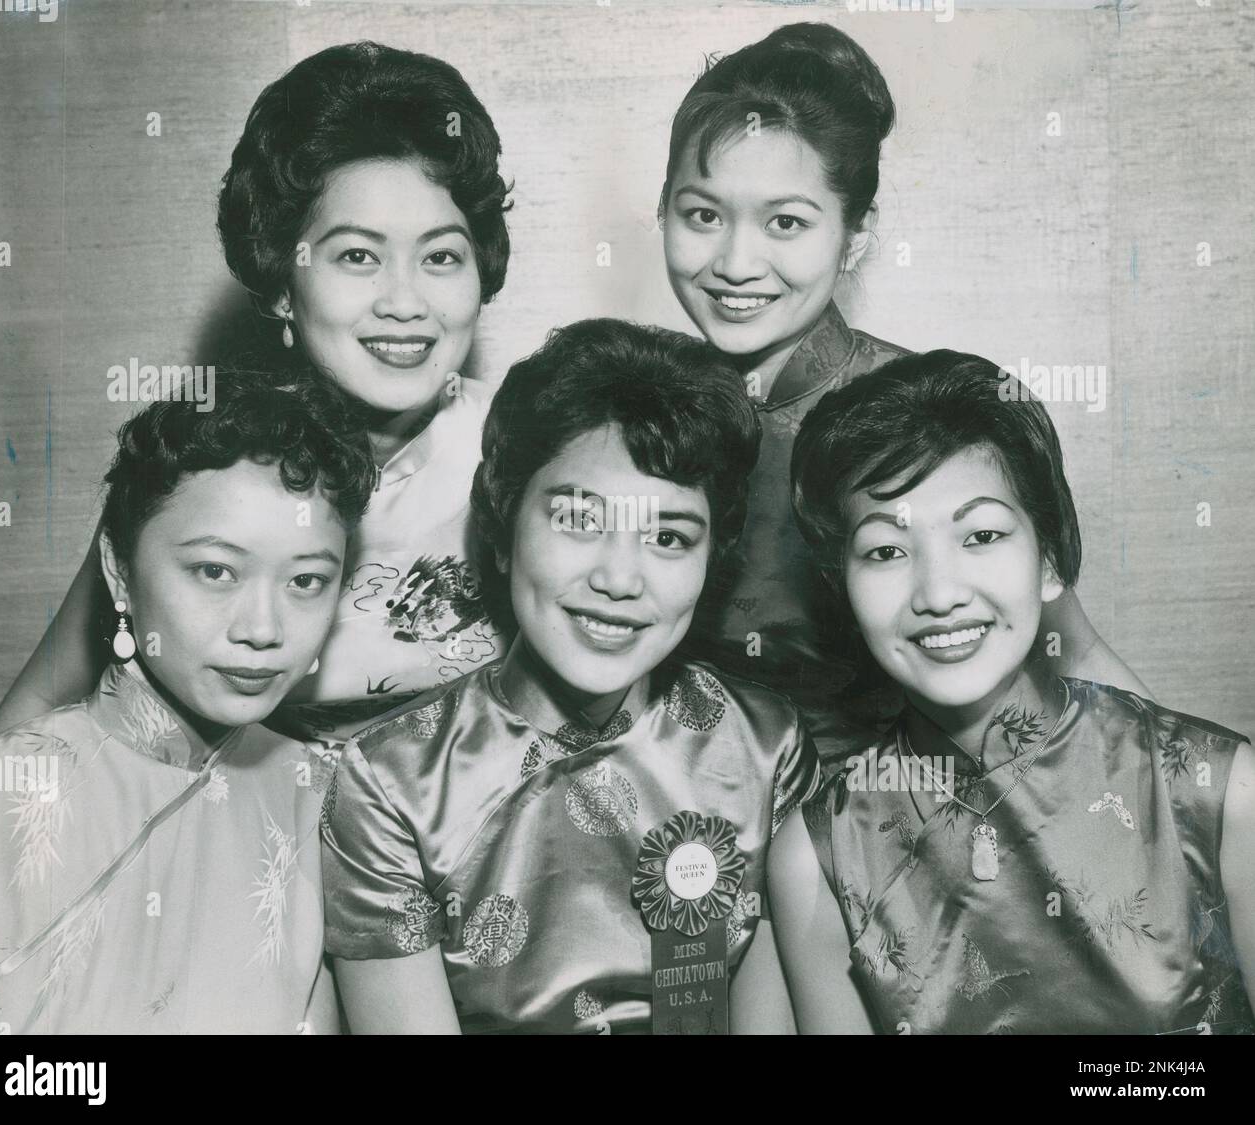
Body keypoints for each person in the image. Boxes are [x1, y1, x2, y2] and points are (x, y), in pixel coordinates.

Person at [0, 41, 512, 747]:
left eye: (441, 256)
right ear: (282, 285)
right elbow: (44, 702)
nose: (404, 301)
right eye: (357, 256)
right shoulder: (207, 458)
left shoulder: (530, 446)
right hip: (261, 838)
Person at [658, 21, 1150, 758]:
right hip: (688, 832)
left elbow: (1072, 653)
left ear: (856, 235)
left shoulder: (935, 417)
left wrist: (1188, 808)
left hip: (900, 829)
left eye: (786, 222)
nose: (735, 262)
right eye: (703, 215)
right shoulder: (628, 413)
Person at [321, 319, 821, 1033]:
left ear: (715, 558)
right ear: (501, 525)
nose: (619, 578)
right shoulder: (390, 784)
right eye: (579, 520)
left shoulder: (765, 749)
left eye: (669, 536)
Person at [779, 350, 1255, 1034]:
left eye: (981, 534)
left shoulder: (1215, 791)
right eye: (886, 550)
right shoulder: (822, 854)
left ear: (1050, 558)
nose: (938, 593)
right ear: (841, 586)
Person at [0, 367, 377, 1033]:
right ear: (119, 571)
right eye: (215, 570)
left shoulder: (329, 804)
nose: (262, 628)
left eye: (306, 580)